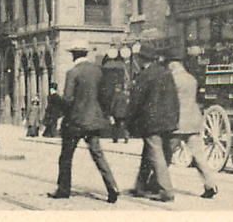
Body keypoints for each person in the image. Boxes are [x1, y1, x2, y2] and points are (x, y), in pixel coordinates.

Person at [48, 42, 119, 204]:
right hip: (93, 121)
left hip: (75, 122)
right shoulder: (97, 71)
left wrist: (53, 95)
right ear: (86, 53)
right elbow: (105, 96)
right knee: (98, 155)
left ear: (74, 55)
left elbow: (67, 100)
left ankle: (63, 189)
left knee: (66, 156)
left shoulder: (73, 72)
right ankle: (112, 187)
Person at [126, 41, 178, 202]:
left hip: (151, 122)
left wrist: (129, 120)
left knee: (155, 154)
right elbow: (174, 99)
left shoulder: (144, 75)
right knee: (147, 153)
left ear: (142, 59)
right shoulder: (165, 73)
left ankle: (166, 190)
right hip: (167, 121)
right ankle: (140, 186)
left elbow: (136, 101)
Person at [167, 54, 218, 198]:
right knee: (199, 156)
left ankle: (155, 183)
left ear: (173, 65)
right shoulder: (191, 79)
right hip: (194, 121)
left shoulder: (173, 80)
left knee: (166, 154)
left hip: (178, 123)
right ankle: (210, 184)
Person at [99, 51, 130, 143]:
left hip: (116, 113)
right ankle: (126, 136)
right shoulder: (124, 95)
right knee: (123, 125)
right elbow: (127, 103)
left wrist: (110, 112)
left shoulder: (116, 96)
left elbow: (113, 104)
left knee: (115, 126)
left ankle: (115, 138)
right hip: (123, 113)